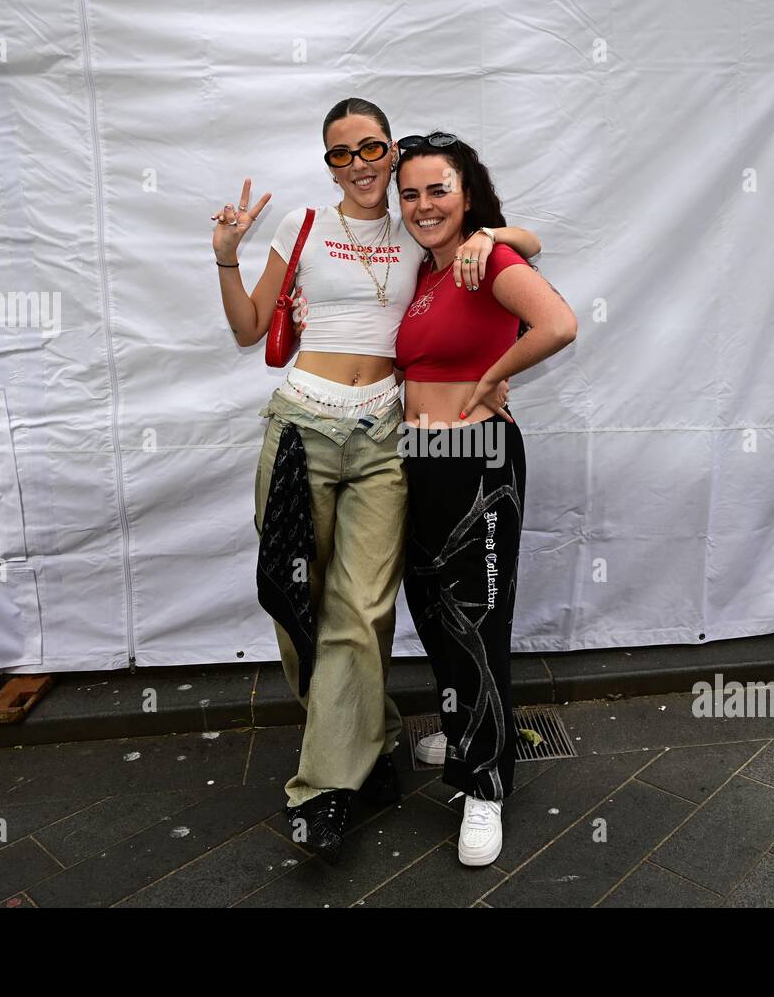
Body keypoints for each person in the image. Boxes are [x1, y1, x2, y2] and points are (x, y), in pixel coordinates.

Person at [211, 100, 541, 863]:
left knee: (361, 610)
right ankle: (375, 732)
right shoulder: (301, 226)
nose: (359, 163)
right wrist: (227, 256)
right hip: (301, 427)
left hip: (383, 436)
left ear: (392, 154)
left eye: (372, 148)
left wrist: (493, 234)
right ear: (327, 163)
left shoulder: (421, 231)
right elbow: (245, 327)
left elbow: (518, 247)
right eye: (340, 153)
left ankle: (325, 789)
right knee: (296, 601)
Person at [394, 133, 578, 866]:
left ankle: (487, 784)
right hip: (418, 455)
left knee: (478, 618)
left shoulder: (486, 256)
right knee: (430, 603)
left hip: (476, 457)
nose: (422, 205)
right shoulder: (428, 272)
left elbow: (558, 324)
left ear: (466, 192)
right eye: (410, 193)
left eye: (438, 189)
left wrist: (491, 375)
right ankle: (460, 721)